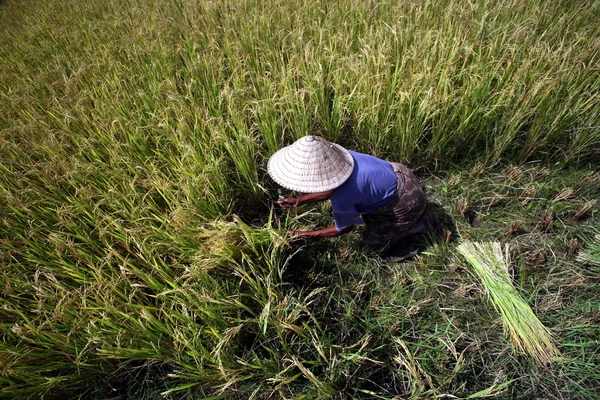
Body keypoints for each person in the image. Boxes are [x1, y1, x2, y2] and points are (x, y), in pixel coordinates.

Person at [267, 135, 432, 255]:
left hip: (407, 201)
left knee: (370, 249)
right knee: (368, 214)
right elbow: (334, 183)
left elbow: (344, 228)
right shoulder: (342, 157)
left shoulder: (343, 196)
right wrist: (298, 201)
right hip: (400, 172)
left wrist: (302, 235)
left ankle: (415, 226)